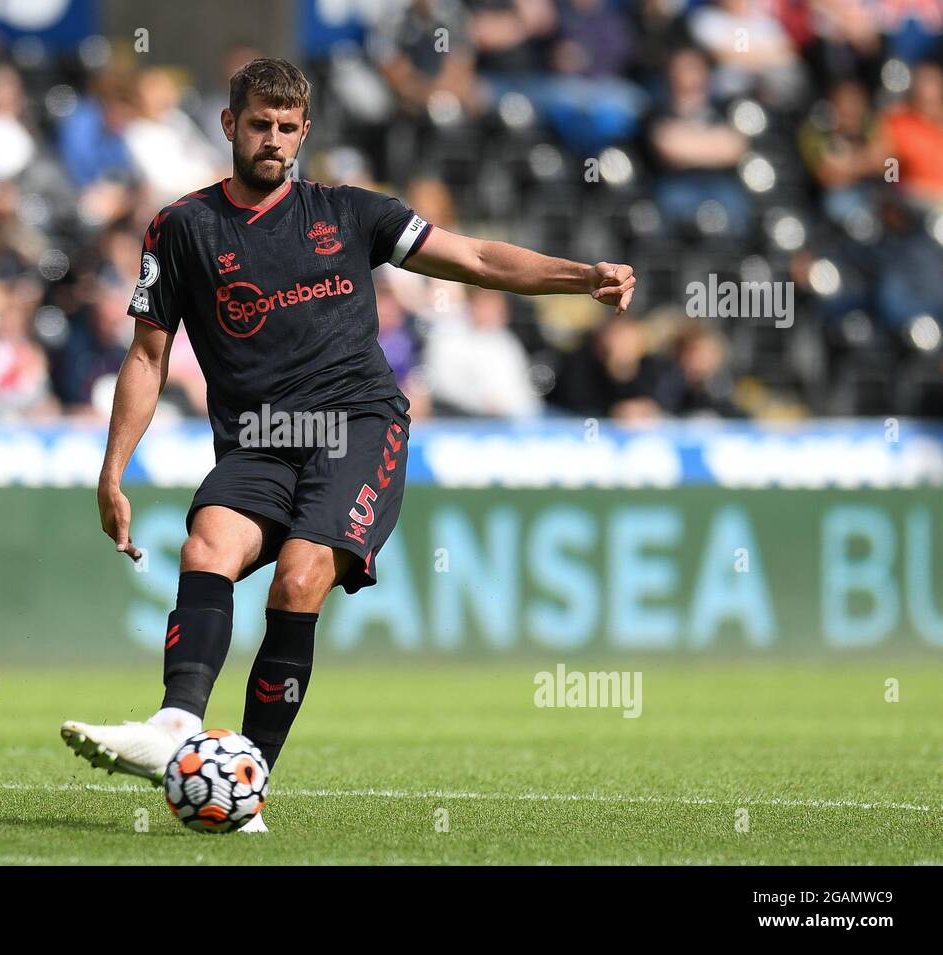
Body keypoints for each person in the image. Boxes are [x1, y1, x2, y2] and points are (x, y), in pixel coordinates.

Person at [59, 58, 635, 832]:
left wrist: (580, 277)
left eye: (287, 128)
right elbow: (146, 355)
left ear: (304, 133)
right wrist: (113, 471)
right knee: (206, 546)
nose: (272, 140)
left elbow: (475, 259)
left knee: (297, 581)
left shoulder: (350, 212)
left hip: (357, 426)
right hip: (260, 439)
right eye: (258, 124)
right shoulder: (182, 226)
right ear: (229, 125)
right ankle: (173, 726)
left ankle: (248, 781)